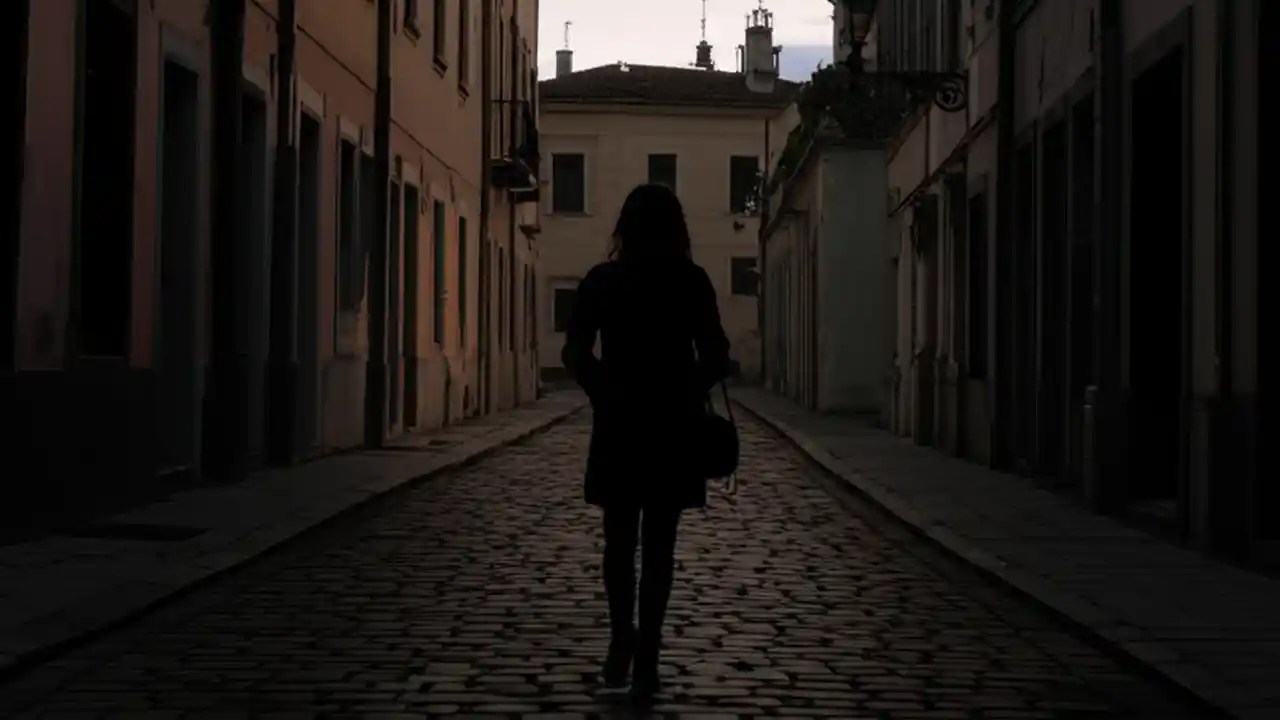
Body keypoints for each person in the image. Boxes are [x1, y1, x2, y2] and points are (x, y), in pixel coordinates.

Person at [561, 183, 731, 700]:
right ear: (676, 228)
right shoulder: (691, 281)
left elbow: (573, 351)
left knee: (619, 542)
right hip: (673, 427)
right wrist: (687, 387)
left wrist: (604, 390)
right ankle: (649, 655)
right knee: (660, 546)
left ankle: (621, 642)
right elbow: (717, 352)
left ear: (625, 229)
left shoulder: (602, 280)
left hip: (620, 425)